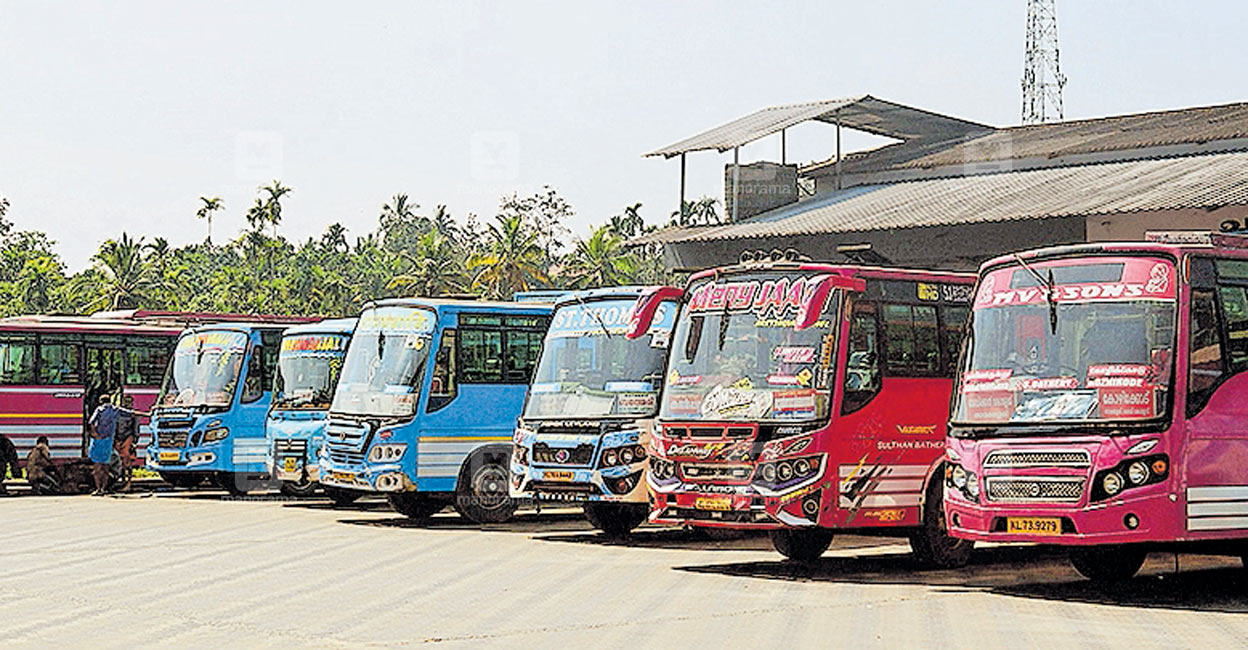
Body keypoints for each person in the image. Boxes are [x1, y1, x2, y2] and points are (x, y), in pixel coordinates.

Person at [87, 395, 121, 496]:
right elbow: (130, 412)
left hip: (98, 441)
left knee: (97, 468)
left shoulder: (99, 409)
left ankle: (98, 488)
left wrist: (95, 433)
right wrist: (147, 414)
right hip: (108, 441)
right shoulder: (115, 410)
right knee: (106, 467)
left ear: (100, 401)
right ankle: (103, 488)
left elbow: (91, 422)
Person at [114, 395, 147, 491]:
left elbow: (136, 430)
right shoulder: (118, 413)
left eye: (129, 402)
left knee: (127, 463)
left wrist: (134, 442)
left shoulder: (133, 415)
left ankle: (128, 483)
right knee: (119, 462)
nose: (127, 404)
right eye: (126, 401)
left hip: (128, 439)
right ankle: (121, 481)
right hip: (118, 440)